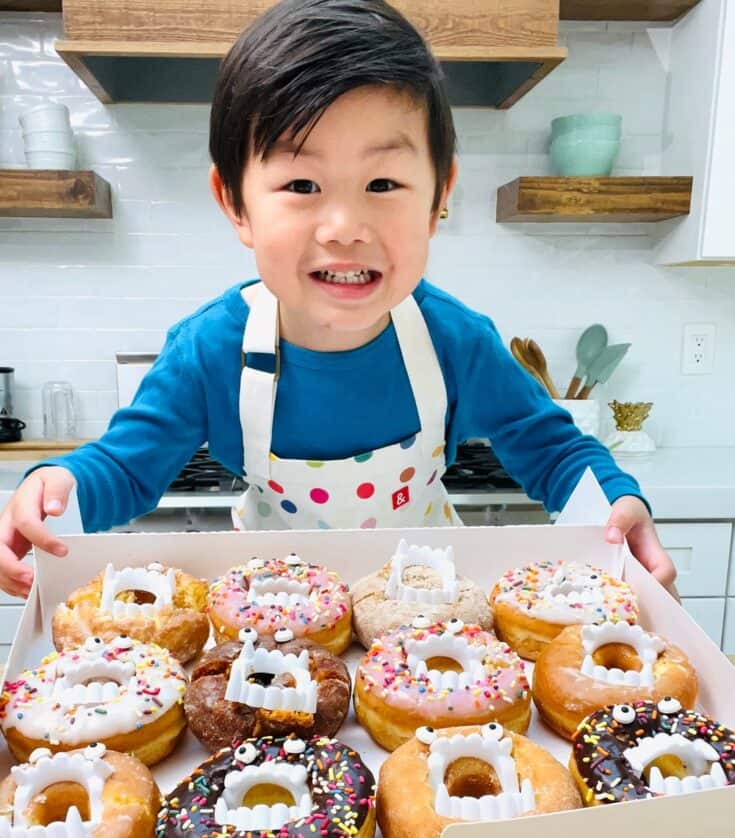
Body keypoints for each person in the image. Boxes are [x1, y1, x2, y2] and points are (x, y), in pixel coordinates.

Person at [0, 0, 676, 599]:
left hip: (429, 610)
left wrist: (617, 502)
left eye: (382, 182)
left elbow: (555, 452)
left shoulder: (455, 340)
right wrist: (54, 490)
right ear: (235, 204)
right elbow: (122, 466)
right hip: (276, 612)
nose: (344, 227)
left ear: (440, 195)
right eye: (301, 185)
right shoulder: (212, 349)